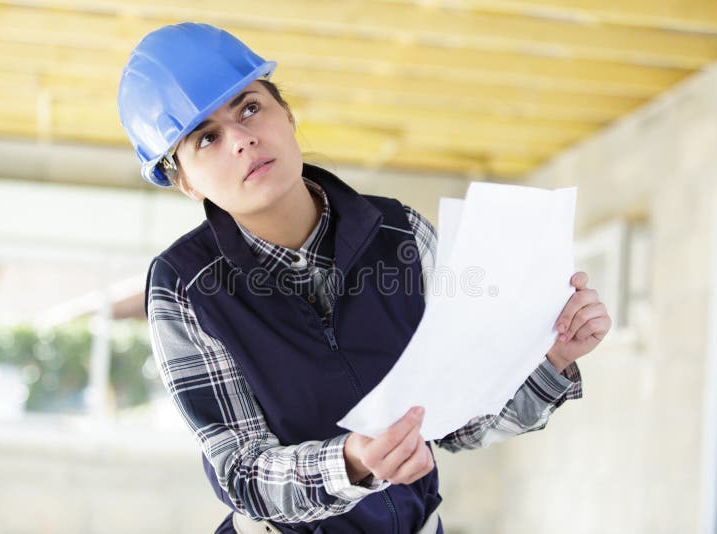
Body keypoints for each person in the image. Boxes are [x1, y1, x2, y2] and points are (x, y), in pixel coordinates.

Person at [118, 22, 611, 534]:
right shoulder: (184, 287)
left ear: (286, 115)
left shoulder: (402, 234)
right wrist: (351, 462)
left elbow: (456, 423)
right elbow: (242, 471)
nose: (242, 139)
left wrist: (554, 357)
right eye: (207, 138)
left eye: (249, 107)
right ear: (186, 183)